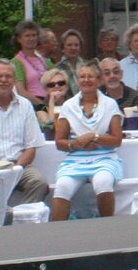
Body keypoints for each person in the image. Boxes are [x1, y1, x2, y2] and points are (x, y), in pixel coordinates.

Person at [0, 60, 52, 210]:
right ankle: (6, 216)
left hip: (19, 165)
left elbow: (31, 147)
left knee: (39, 183)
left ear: (14, 80)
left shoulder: (25, 105)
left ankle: (21, 217)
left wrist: (16, 168)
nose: (3, 80)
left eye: (8, 76)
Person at [51, 62, 125, 221]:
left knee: (103, 183)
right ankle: (57, 235)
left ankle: (107, 227)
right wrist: (75, 144)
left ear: (98, 80)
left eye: (90, 76)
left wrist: (94, 137)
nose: (86, 80)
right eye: (82, 77)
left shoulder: (110, 104)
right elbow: (60, 142)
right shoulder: (68, 106)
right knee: (62, 186)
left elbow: (117, 140)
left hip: (104, 159)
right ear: (77, 81)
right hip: (75, 161)